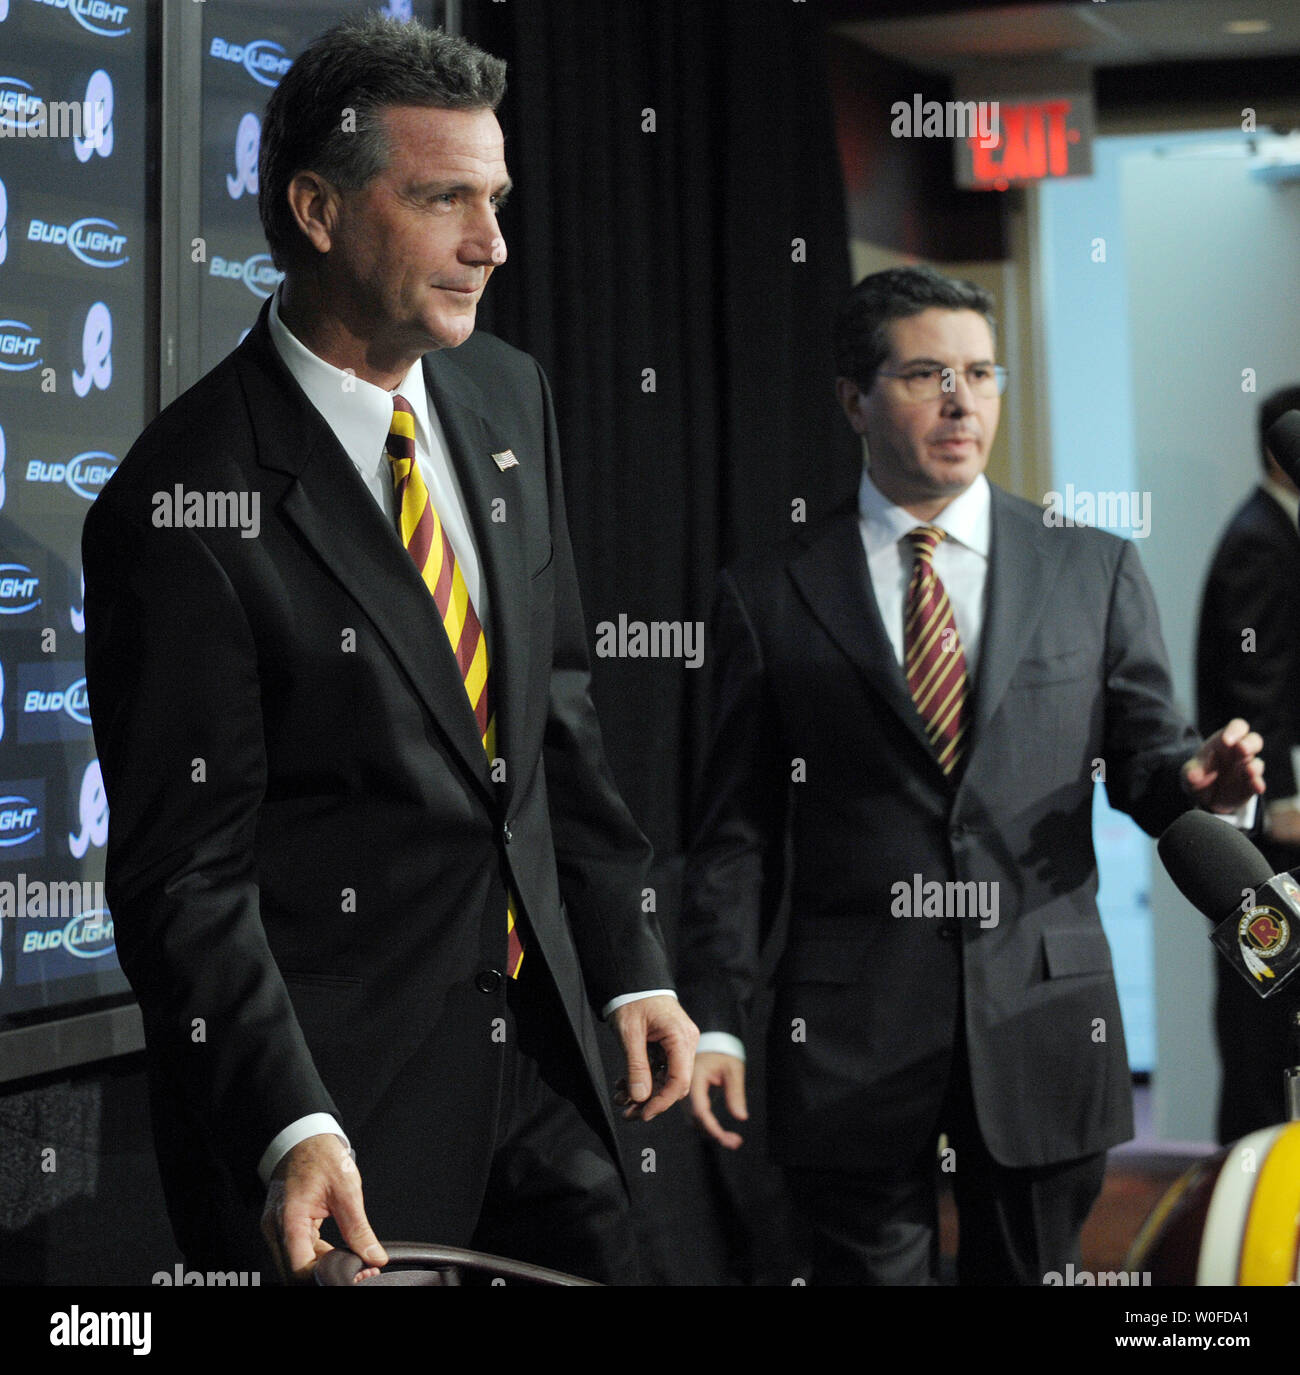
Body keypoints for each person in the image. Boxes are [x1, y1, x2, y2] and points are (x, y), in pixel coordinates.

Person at [83, 15, 697, 1286]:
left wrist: (631, 962)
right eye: (444, 201)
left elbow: (552, 719)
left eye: (498, 199)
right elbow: (183, 881)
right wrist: (290, 1123)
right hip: (339, 1126)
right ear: (317, 209)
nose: (492, 243)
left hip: (542, 1064)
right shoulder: (184, 504)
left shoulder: (503, 393)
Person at [679, 265, 1263, 1286]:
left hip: (1040, 1023)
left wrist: (1201, 781)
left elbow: (1142, 763)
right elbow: (735, 836)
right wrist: (716, 1018)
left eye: (980, 372)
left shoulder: (1092, 567)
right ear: (854, 398)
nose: (962, 400)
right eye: (925, 375)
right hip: (848, 1041)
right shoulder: (768, 591)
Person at [1196, 383, 1300, 1142]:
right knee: (1261, 1027)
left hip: (1274, 837)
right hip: (1266, 845)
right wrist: (1287, 801)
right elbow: (1250, 693)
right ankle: (1242, 1231)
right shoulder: (1262, 539)